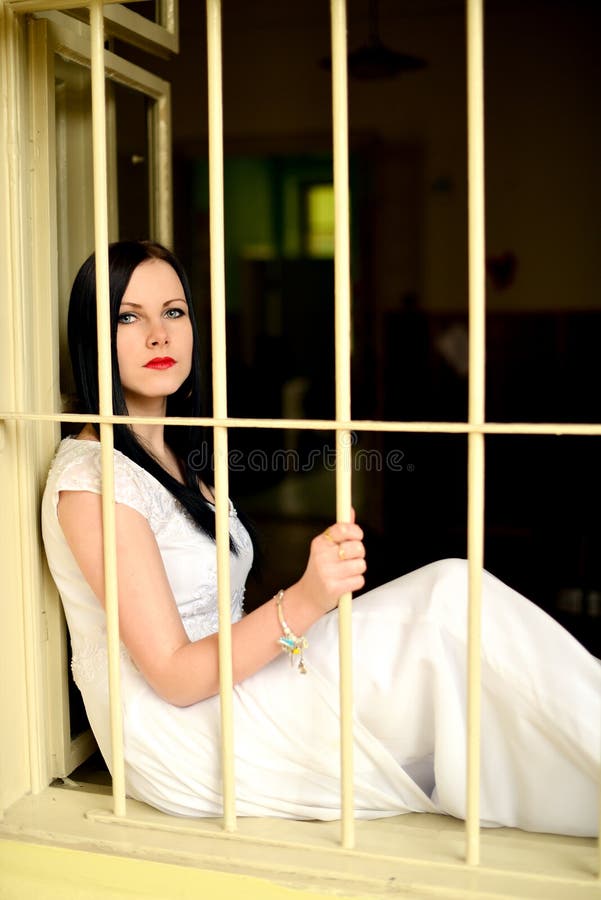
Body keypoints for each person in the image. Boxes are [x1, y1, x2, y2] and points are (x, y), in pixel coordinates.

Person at [42, 241, 600, 836]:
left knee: (451, 612)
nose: (159, 335)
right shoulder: (91, 481)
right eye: (130, 317)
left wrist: (306, 605)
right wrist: (305, 600)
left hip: (232, 685)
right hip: (183, 732)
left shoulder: (171, 455)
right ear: (91, 335)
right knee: (444, 601)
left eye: (173, 312)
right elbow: (175, 676)